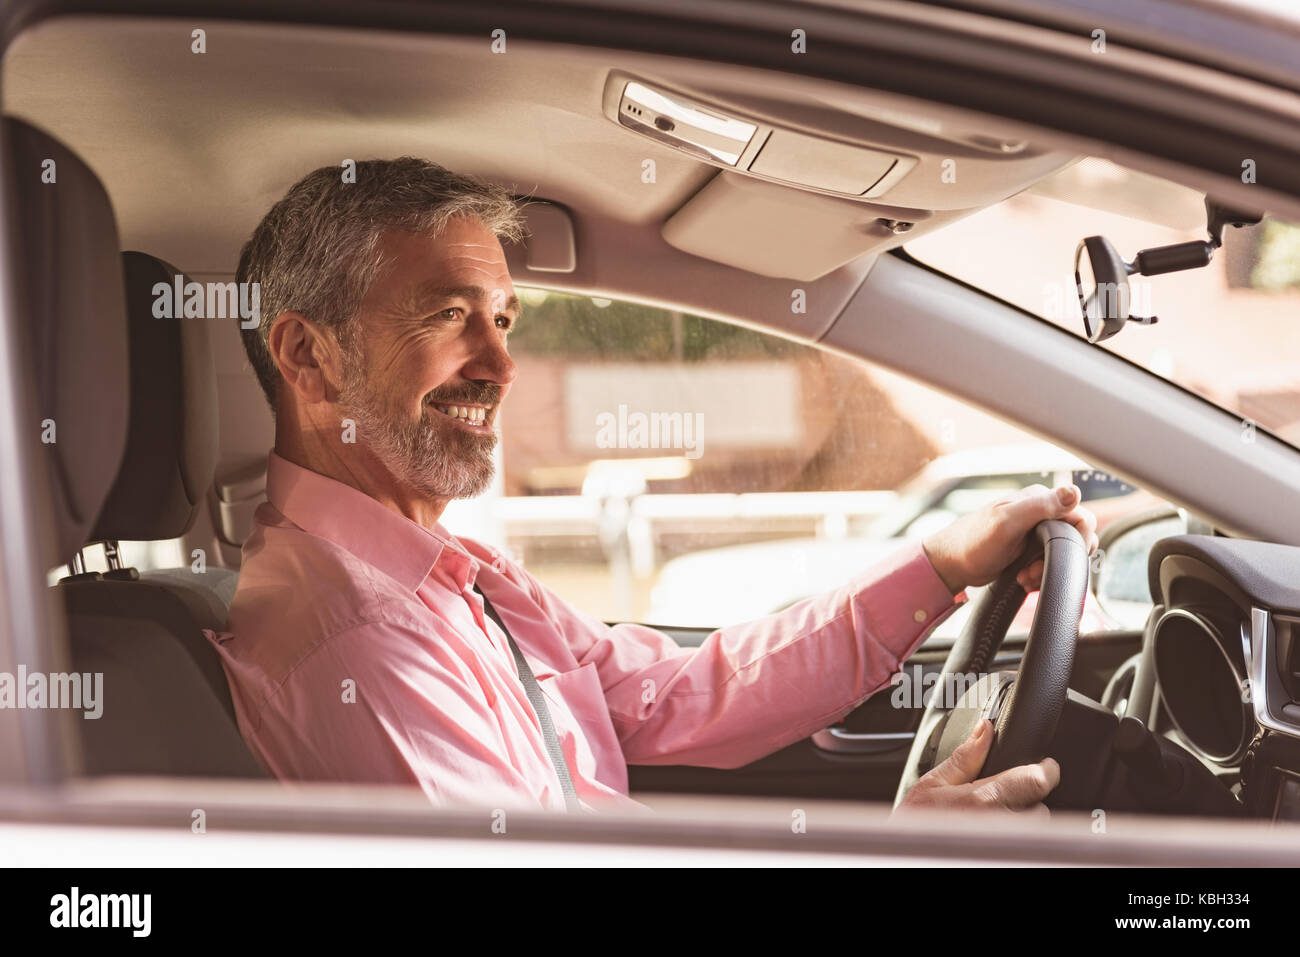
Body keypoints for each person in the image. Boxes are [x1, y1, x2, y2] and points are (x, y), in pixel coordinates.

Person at [205, 158, 1097, 815]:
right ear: (308, 357)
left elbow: (672, 693)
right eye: (447, 316)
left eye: (504, 319)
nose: (502, 366)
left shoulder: (447, 575)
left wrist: (941, 564)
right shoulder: (356, 641)